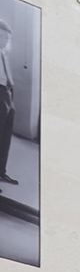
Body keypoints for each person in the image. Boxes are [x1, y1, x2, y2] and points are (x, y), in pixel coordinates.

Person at [0, 21, 16, 187]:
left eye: (7, 38)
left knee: (5, 136)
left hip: (7, 94)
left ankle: (1, 171)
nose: (5, 40)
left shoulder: (4, 54)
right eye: (2, 36)